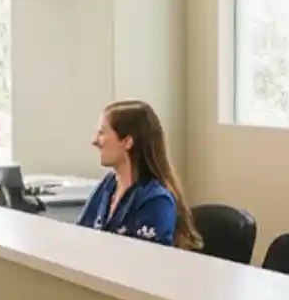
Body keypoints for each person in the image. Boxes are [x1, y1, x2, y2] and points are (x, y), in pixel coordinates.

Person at [77, 100, 203, 250]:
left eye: (102, 133)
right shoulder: (108, 185)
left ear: (127, 142)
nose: (95, 141)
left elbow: (144, 263)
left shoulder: (156, 200)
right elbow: (80, 236)